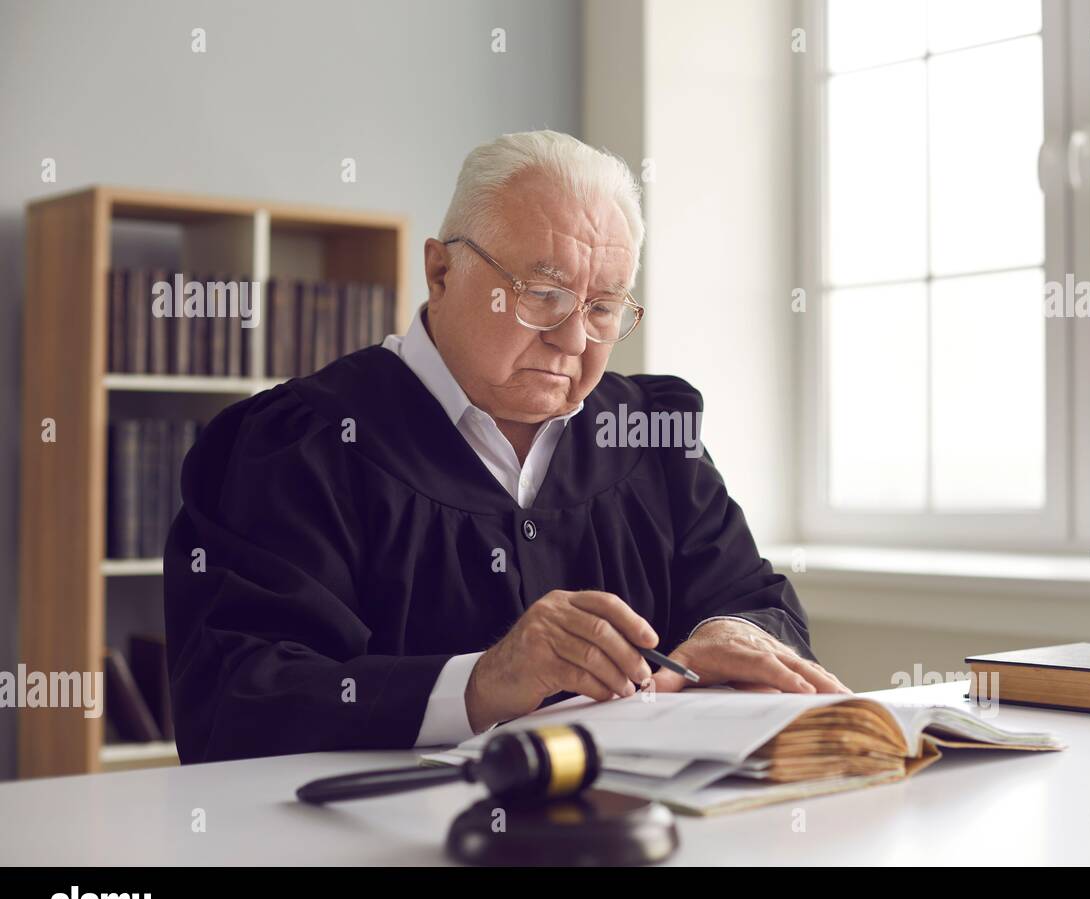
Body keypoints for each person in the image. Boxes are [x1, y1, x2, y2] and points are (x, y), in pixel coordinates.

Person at [164, 130, 848, 763]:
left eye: (604, 307)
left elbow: (756, 599)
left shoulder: (652, 436)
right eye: (544, 294)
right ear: (440, 272)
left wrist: (736, 631)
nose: (576, 341)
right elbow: (235, 699)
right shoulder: (296, 446)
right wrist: (481, 683)